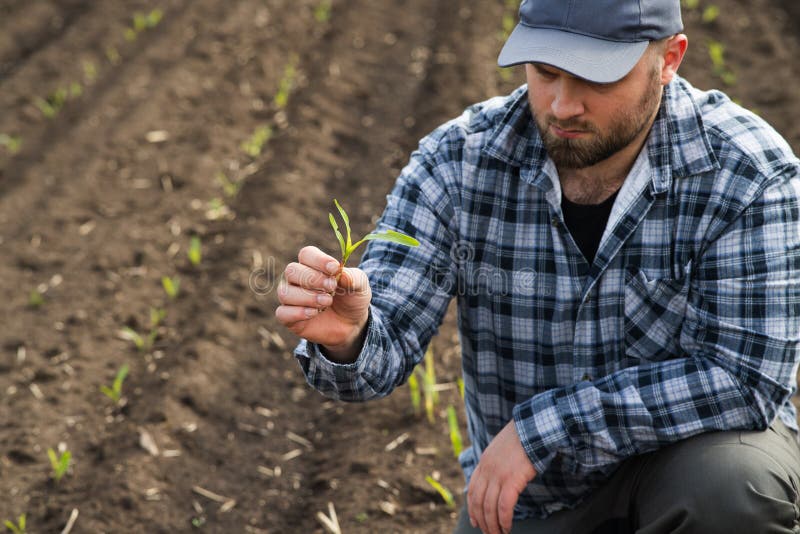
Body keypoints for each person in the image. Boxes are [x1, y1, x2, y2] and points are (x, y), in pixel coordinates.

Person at [276, 0, 800, 532]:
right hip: (531, 499)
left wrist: (549, 427)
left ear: (669, 59)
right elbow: (383, 350)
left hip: (680, 472)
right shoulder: (460, 163)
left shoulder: (747, 174)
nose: (562, 105)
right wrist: (351, 335)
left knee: (733, 488)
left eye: (596, 78)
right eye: (545, 72)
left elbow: (744, 379)